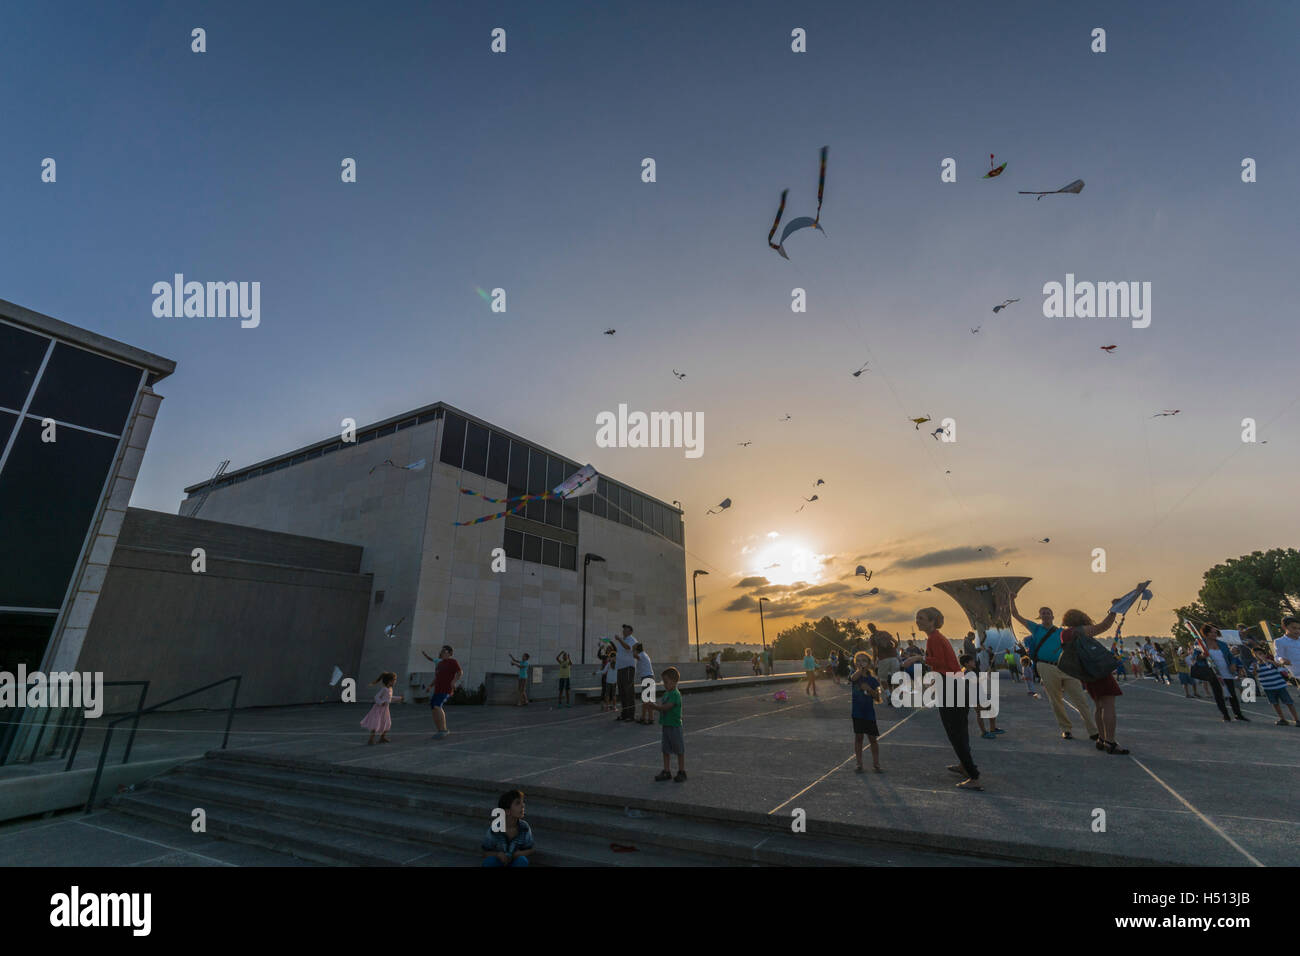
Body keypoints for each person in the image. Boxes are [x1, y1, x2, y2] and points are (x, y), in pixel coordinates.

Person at [901, 607, 981, 791]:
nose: (917, 621)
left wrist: (916, 658)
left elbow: (938, 661)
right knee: (960, 730)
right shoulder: (936, 637)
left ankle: (974, 776)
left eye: (921, 618)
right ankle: (965, 765)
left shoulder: (935, 638)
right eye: (917, 617)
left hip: (950, 686)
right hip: (954, 684)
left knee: (954, 732)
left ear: (932, 621)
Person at [1005, 586, 1099, 742]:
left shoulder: (1060, 631)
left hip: (1065, 667)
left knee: (1080, 699)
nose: (1046, 615)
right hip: (1046, 666)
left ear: (1053, 616)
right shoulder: (1036, 628)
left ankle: (1093, 730)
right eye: (1043, 613)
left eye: (1048, 613)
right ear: (1039, 617)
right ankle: (1066, 729)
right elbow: (1015, 615)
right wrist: (1011, 600)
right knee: (1056, 700)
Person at [1059, 603, 1127, 754]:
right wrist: (1114, 610)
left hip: (1086, 674)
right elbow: (1103, 626)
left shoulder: (1064, 634)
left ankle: (1101, 739)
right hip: (1098, 670)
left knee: (1099, 706)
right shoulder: (1079, 630)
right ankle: (1110, 742)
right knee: (1109, 705)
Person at [1198, 624, 1249, 722]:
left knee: (1232, 694)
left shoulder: (1222, 643)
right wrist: (1202, 656)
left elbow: (1231, 656)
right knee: (1219, 695)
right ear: (1206, 633)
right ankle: (1225, 715)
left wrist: (1233, 664)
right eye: (1212, 632)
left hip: (1227, 672)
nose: (1215, 634)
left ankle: (1238, 714)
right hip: (1214, 674)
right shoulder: (1201, 644)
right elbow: (1196, 657)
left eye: (1216, 632)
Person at [650, 667, 686, 782]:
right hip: (666, 725)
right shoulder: (666, 694)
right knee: (665, 750)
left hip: (675, 726)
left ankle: (681, 771)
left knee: (679, 750)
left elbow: (667, 707)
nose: (664, 684)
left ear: (674, 681)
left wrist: (655, 707)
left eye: (666, 682)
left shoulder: (675, 694)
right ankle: (666, 771)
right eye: (663, 682)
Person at [848, 652, 883, 773]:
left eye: (864, 661)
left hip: (869, 713)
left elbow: (878, 698)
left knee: (872, 739)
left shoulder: (873, 680)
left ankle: (876, 763)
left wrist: (869, 690)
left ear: (868, 664)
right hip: (857, 713)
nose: (861, 663)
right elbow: (853, 678)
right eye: (858, 660)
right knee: (858, 737)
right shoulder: (855, 676)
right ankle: (859, 763)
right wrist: (859, 669)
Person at [1246, 647, 1298, 725]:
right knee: (1275, 703)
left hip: (1280, 686)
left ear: (1265, 654)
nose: (1259, 656)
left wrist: (1270, 661)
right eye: (1256, 655)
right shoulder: (1254, 665)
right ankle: (1282, 719)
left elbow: (1278, 666)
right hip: (1268, 687)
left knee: (1289, 703)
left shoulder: (1270, 662)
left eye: (1260, 654)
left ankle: (1297, 719)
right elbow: (1254, 674)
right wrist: (1255, 668)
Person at [481, 789, 534, 867]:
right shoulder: (495, 828)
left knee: (522, 860)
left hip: (515, 862)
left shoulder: (524, 827)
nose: (523, 805)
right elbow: (485, 852)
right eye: (518, 803)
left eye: (522, 802)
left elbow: (530, 849)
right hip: (499, 862)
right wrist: (498, 854)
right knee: (489, 862)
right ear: (507, 811)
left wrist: (519, 854)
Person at [420, 645, 462, 737]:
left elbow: (460, 672)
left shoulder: (452, 661)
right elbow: (437, 677)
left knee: (437, 706)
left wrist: (453, 681)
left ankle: (444, 730)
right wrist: (430, 686)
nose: (442, 652)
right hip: (437, 689)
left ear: (450, 653)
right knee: (433, 708)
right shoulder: (440, 664)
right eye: (441, 651)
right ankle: (440, 730)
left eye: (444, 651)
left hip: (446, 689)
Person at [961, 654, 1003, 739]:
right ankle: (985, 732)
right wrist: (984, 677)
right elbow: (975, 681)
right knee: (982, 713)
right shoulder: (967, 673)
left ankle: (991, 729)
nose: (974, 662)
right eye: (972, 661)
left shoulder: (970, 671)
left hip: (980, 696)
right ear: (966, 663)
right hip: (976, 698)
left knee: (988, 712)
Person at [360, 672, 403, 744]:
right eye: (394, 680)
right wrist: (381, 702)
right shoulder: (384, 689)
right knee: (376, 723)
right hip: (378, 709)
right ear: (390, 681)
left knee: (387, 723)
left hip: (385, 709)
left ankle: (382, 738)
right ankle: (370, 740)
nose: (395, 681)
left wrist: (399, 698)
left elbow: (389, 698)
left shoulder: (390, 689)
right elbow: (376, 697)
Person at [867, 624, 900, 706]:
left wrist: (874, 661)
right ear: (875, 626)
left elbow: (875, 651)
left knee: (883, 679)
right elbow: (896, 642)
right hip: (893, 657)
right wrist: (893, 650)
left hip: (883, 659)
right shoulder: (885, 633)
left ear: (869, 629)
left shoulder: (872, 638)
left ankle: (889, 695)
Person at [612, 624, 637, 722]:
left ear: (630, 631)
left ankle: (631, 715)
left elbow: (628, 648)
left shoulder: (632, 639)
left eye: (626, 629)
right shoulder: (622, 640)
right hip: (621, 668)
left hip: (628, 668)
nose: (623, 631)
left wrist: (619, 639)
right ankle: (624, 714)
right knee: (622, 692)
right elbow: (620, 654)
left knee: (628, 691)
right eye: (623, 629)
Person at [1274, 617, 1300, 685]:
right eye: (1294, 628)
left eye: (1299, 628)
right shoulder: (1280, 641)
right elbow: (1277, 657)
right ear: (1284, 627)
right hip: (1297, 676)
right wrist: (1282, 660)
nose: (1297, 631)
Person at [635, 643, 656, 724]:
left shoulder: (641, 655)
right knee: (646, 699)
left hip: (647, 678)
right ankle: (644, 717)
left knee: (647, 700)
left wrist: (632, 649)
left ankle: (650, 719)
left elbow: (635, 656)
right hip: (649, 677)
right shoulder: (644, 654)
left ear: (637, 650)